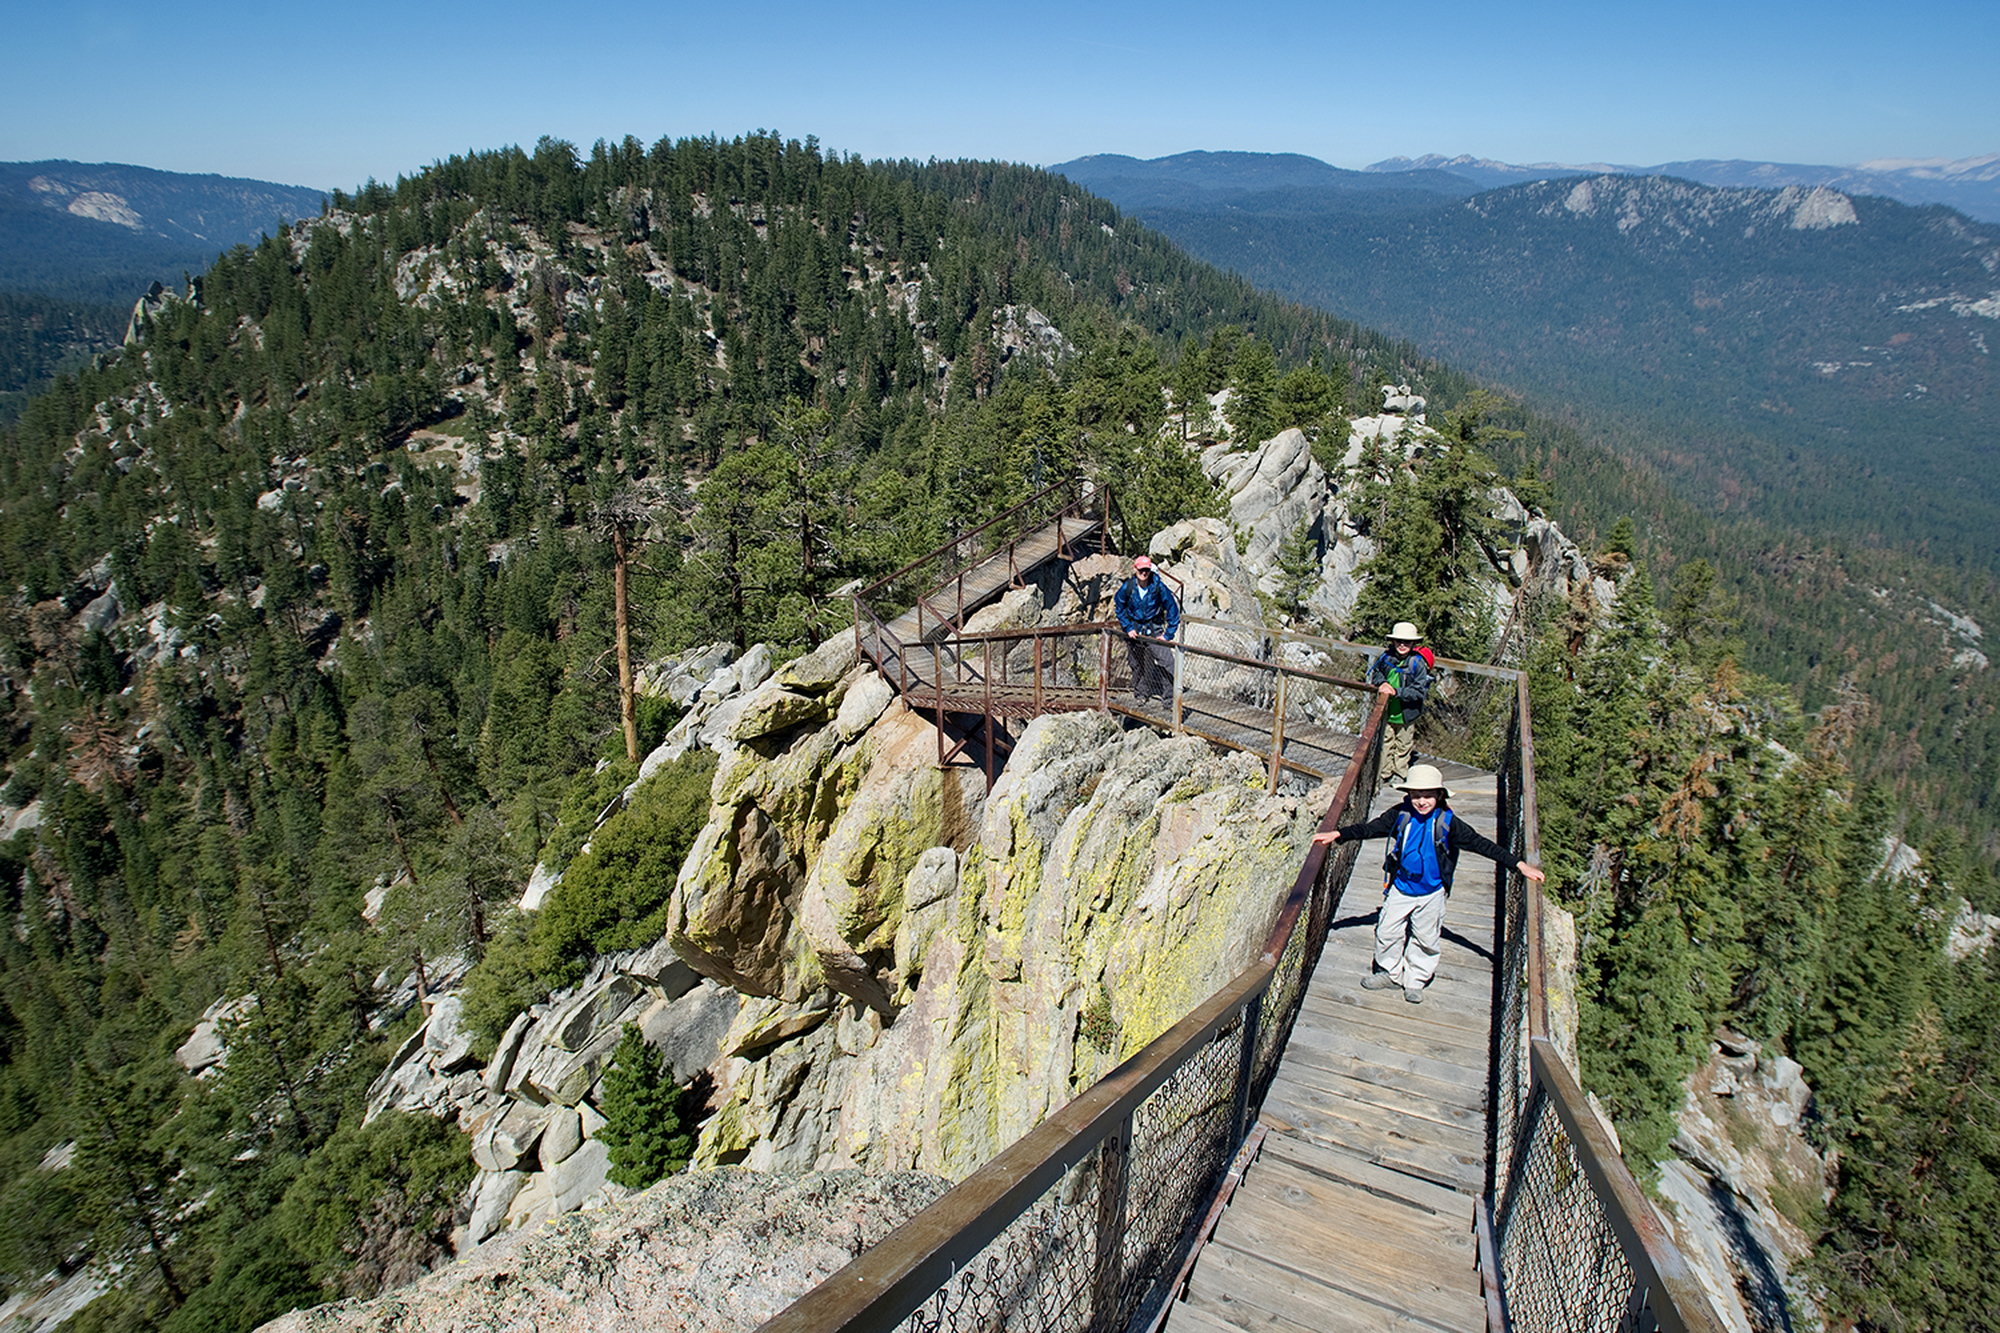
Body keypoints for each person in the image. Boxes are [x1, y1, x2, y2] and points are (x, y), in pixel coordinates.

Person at [1310, 763, 1545, 1002]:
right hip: (1401, 887)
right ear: (1408, 795)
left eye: (1428, 795)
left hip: (1432, 892)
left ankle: (1415, 980)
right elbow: (1371, 829)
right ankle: (1390, 973)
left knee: (1426, 937)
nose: (1421, 801)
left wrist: (1518, 865)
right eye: (1416, 795)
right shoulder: (1401, 815)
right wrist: (1339, 834)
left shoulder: (1448, 823)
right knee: (1386, 931)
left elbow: (1482, 844)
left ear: (1439, 795)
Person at [1367, 620, 1432, 789]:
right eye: (1398, 641)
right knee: (1386, 742)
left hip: (1406, 713)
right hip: (1388, 711)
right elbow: (1377, 674)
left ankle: (1399, 773)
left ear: (1413, 643)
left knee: (1403, 744)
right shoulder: (1386, 658)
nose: (1402, 645)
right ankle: (1385, 773)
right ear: (1393, 641)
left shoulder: (1418, 664)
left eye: (1407, 642)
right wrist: (1382, 683)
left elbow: (1419, 692)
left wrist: (1396, 692)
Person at [1114, 555, 1180, 703]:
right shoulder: (1128, 587)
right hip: (1135, 631)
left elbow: (1172, 609)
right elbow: (1119, 607)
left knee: (1167, 661)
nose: (1144, 573)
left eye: (1147, 570)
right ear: (1135, 568)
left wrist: (1168, 634)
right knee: (1137, 663)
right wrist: (1128, 627)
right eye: (1141, 569)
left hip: (1153, 629)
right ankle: (1141, 694)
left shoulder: (1158, 587)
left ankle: (1169, 697)